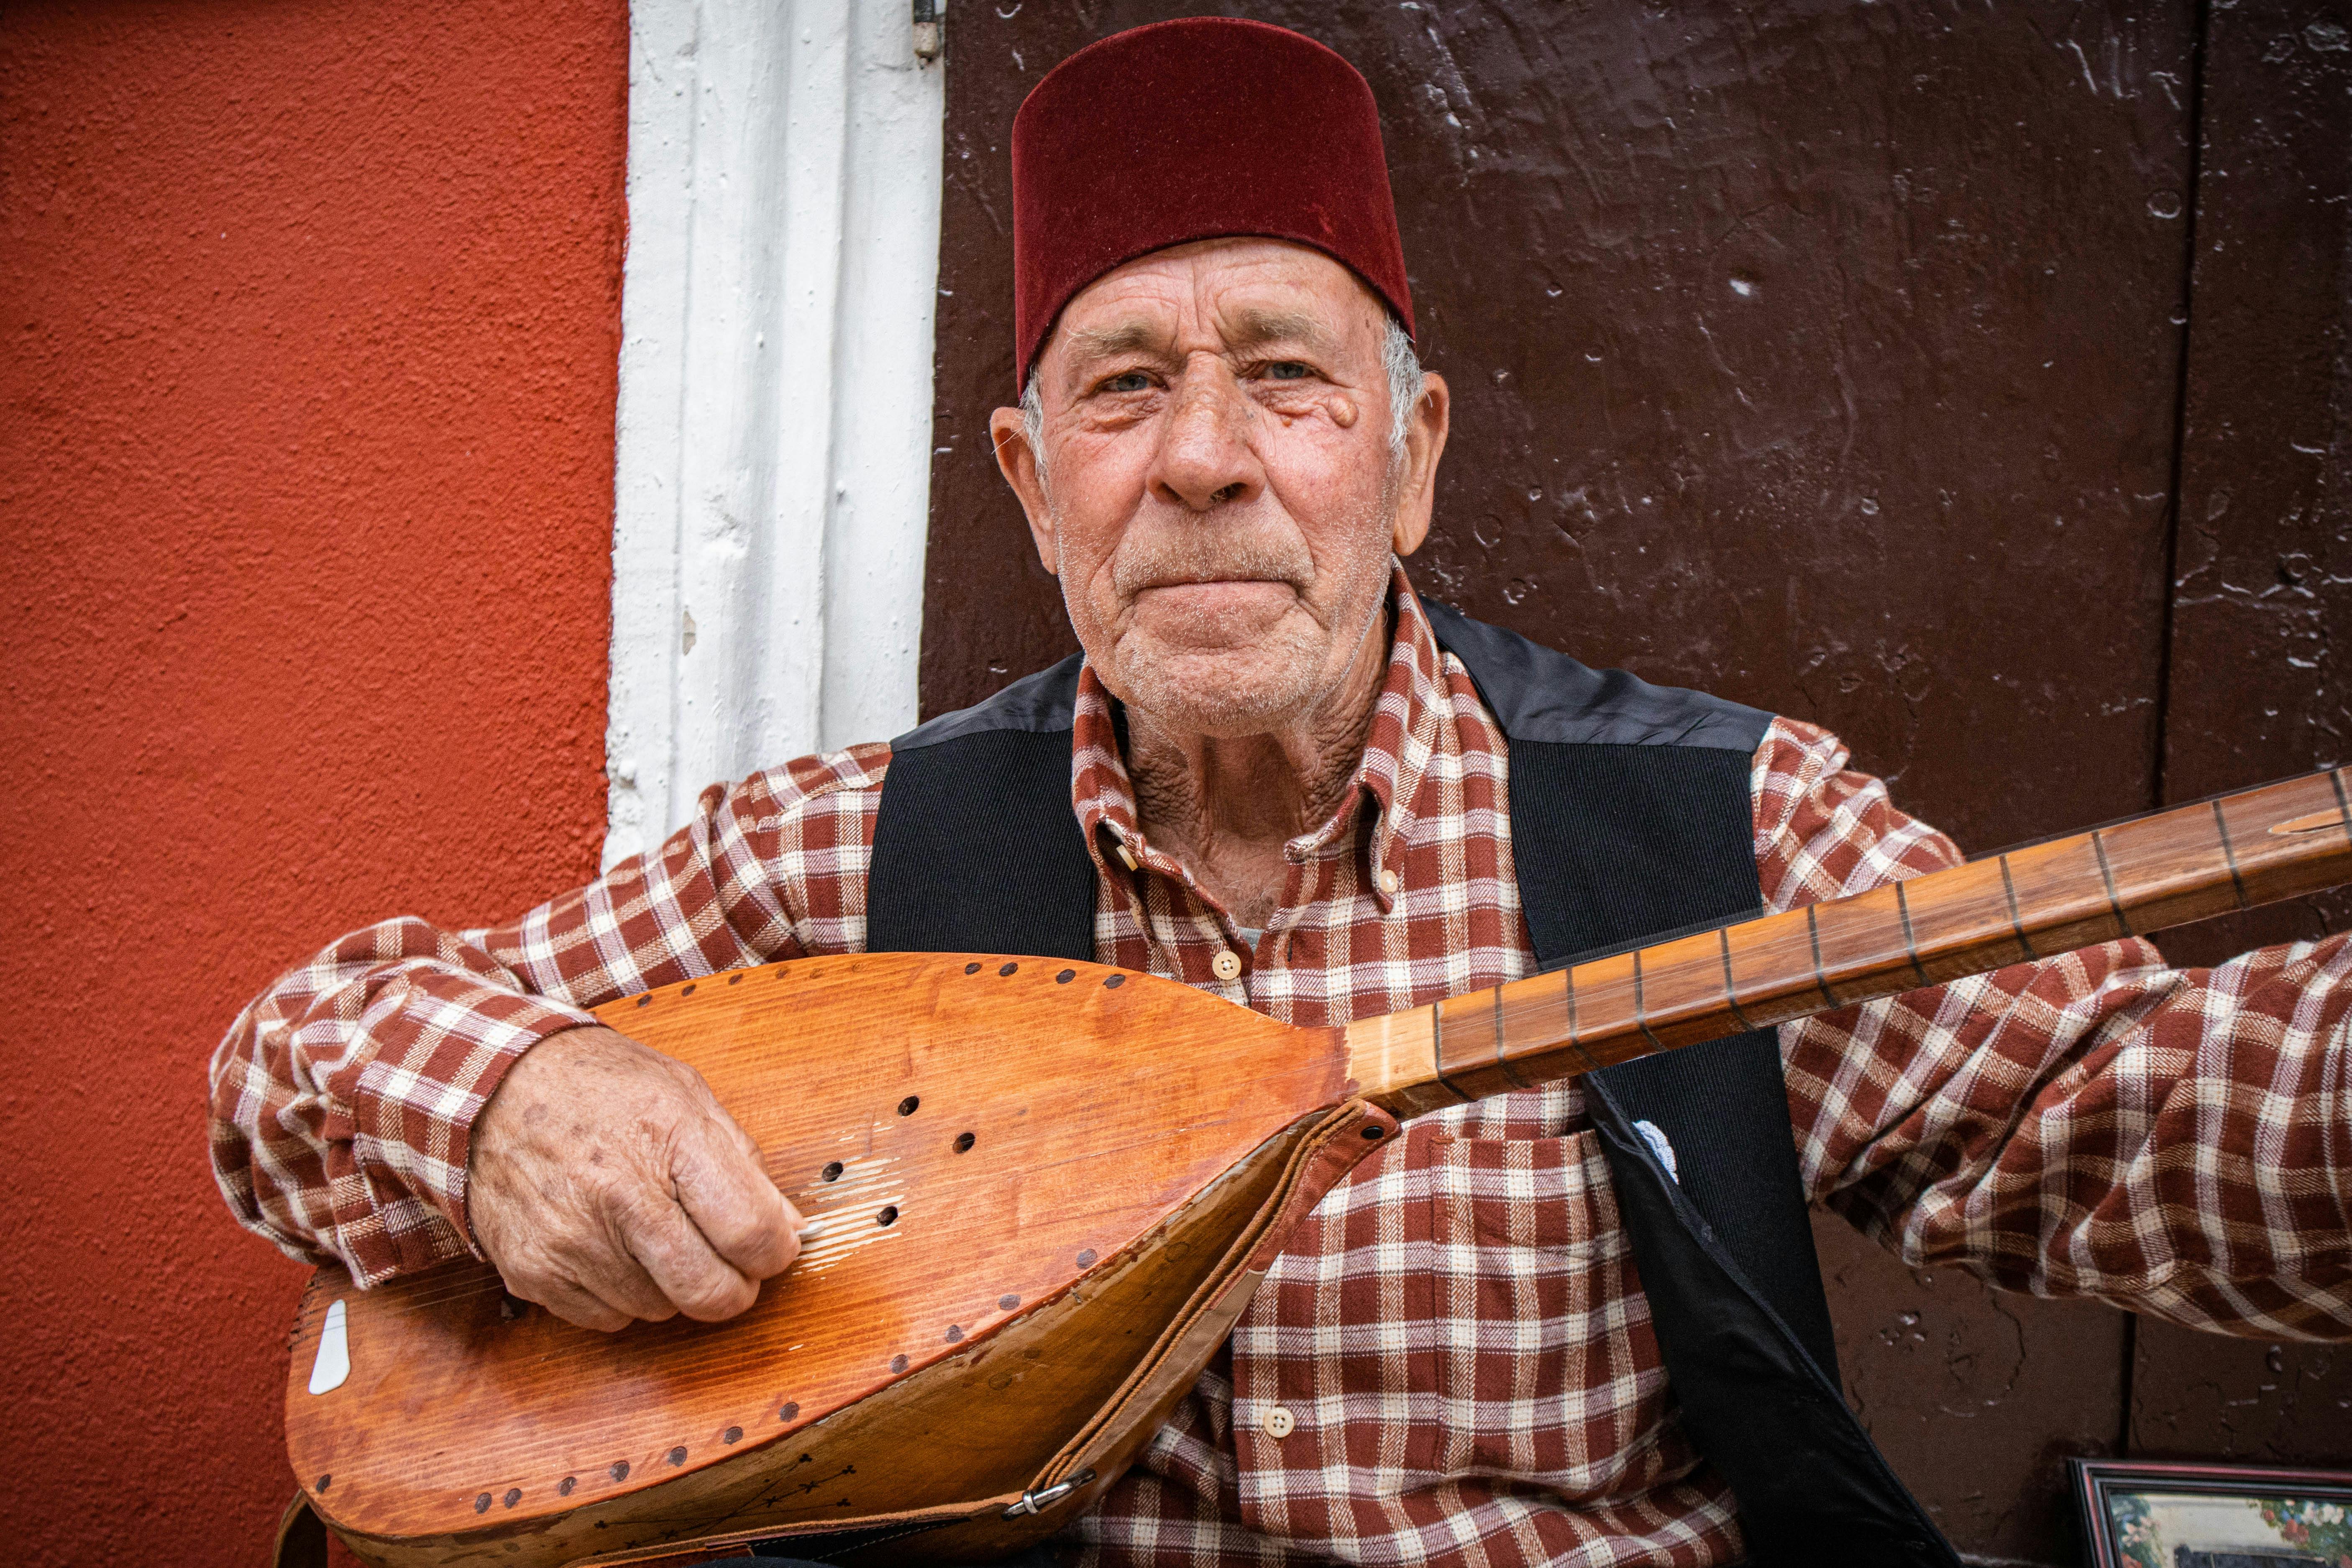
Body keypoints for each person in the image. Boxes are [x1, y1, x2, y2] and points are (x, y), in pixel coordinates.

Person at [210, 18, 2351, 1568]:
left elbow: (2132, 1109)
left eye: (1287, 376)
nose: (1210, 458)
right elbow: (290, 1055)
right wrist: (500, 1106)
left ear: (1409, 456)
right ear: (1037, 493)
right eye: (1125, 386)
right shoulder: (831, 860)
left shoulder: (1723, 829)